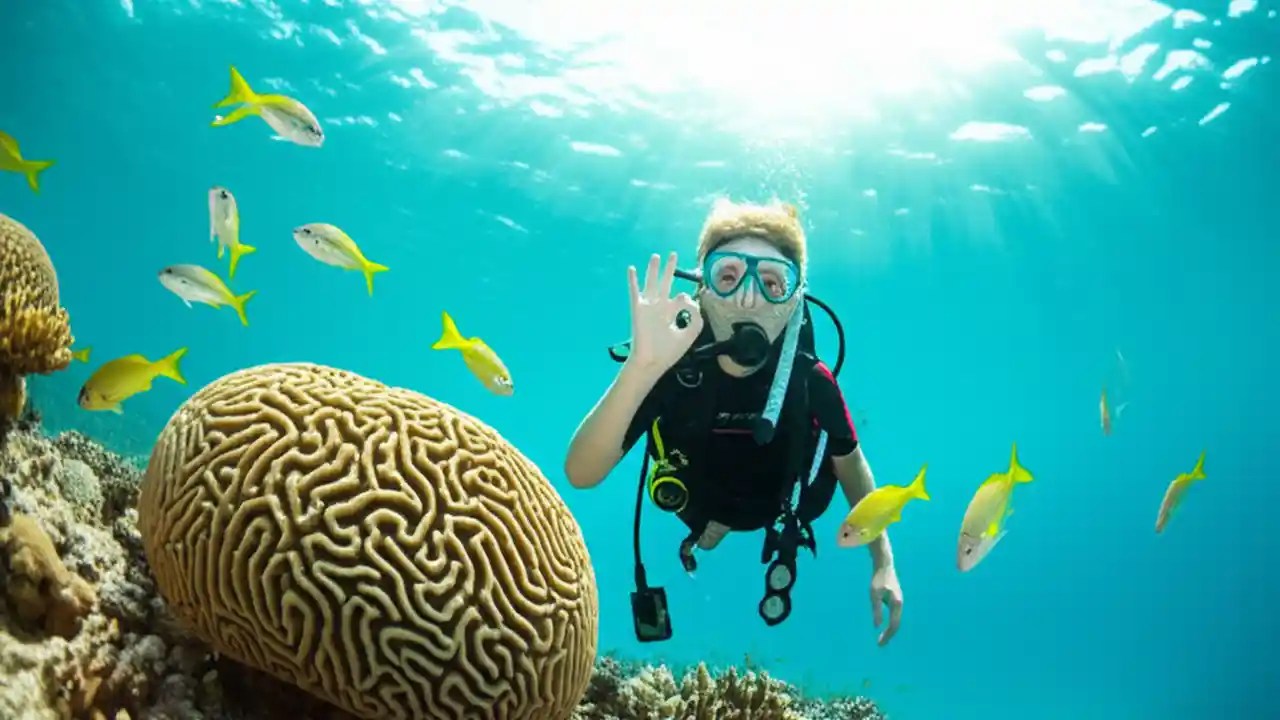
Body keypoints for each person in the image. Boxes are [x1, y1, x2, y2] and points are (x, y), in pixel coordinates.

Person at [564, 198, 904, 647]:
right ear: (701, 287)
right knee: (704, 517)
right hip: (698, 503)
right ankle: (713, 527)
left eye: (772, 282)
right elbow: (581, 473)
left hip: (781, 504)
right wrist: (641, 367)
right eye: (728, 275)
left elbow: (851, 465)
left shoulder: (810, 378)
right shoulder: (669, 366)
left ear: (795, 297)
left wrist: (884, 561)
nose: (748, 297)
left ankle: (733, 529)